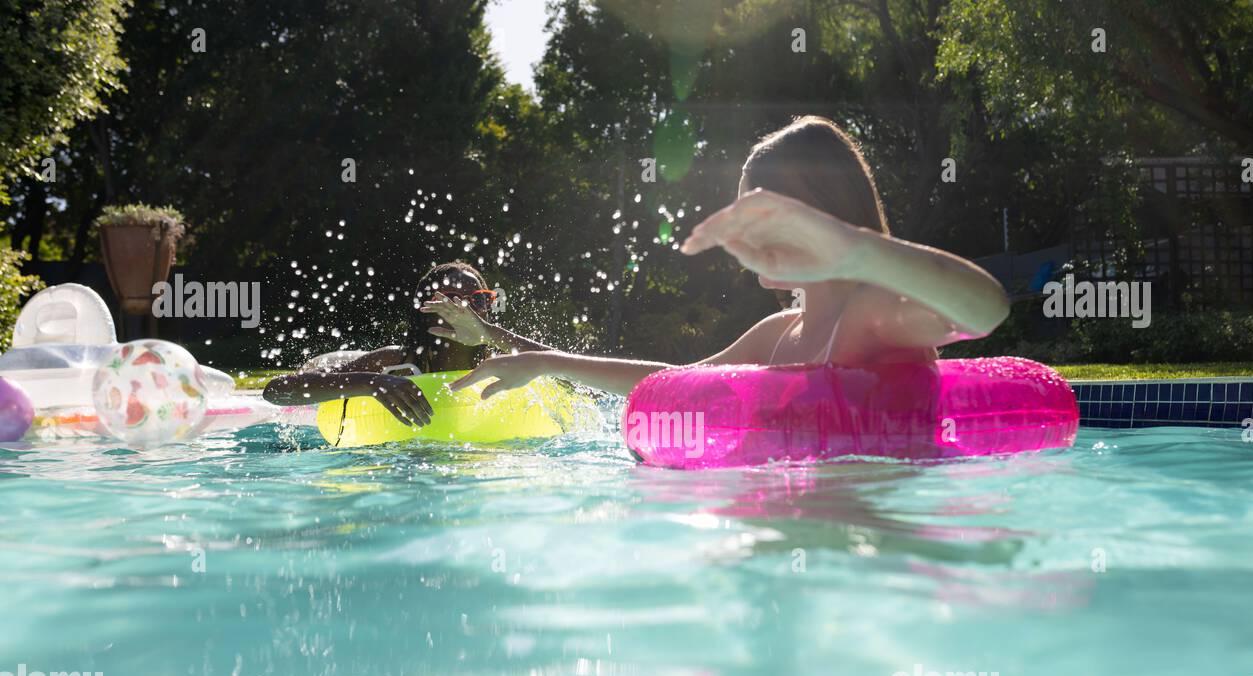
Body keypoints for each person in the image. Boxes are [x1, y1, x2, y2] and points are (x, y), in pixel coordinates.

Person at [442, 116, 1010, 401]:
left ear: (822, 214)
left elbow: (984, 311)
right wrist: (546, 361)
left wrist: (856, 251)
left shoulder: (877, 312)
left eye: (761, 218)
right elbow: (677, 383)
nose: (742, 236)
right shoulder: (781, 332)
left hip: (884, 554)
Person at [262, 261, 525, 426]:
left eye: (478, 299)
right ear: (426, 308)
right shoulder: (395, 364)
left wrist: (491, 334)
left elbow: (565, 370)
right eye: (453, 298)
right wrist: (371, 383)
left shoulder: (504, 366)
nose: (466, 309)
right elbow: (276, 391)